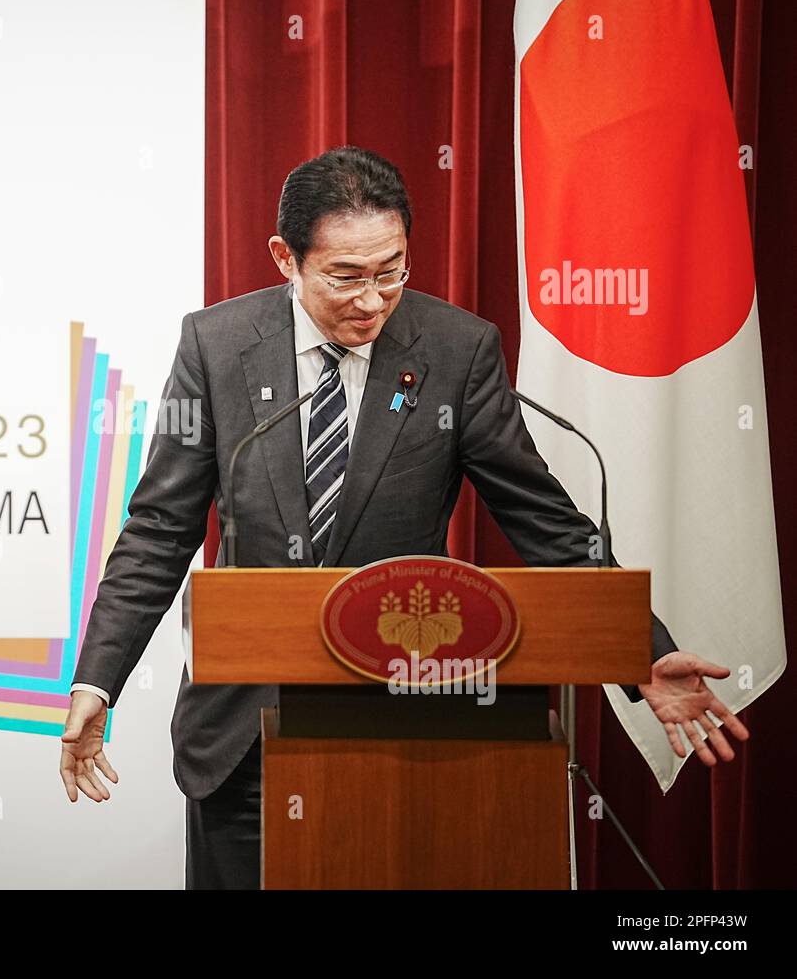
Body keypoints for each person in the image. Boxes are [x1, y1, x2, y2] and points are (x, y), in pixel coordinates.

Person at [59, 146, 749, 889]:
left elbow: (543, 520)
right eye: (346, 277)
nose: (371, 300)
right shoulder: (216, 346)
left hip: (403, 735)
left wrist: (639, 651)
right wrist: (97, 683)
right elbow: (160, 529)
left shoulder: (456, 350)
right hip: (242, 735)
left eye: (391, 270)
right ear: (285, 258)